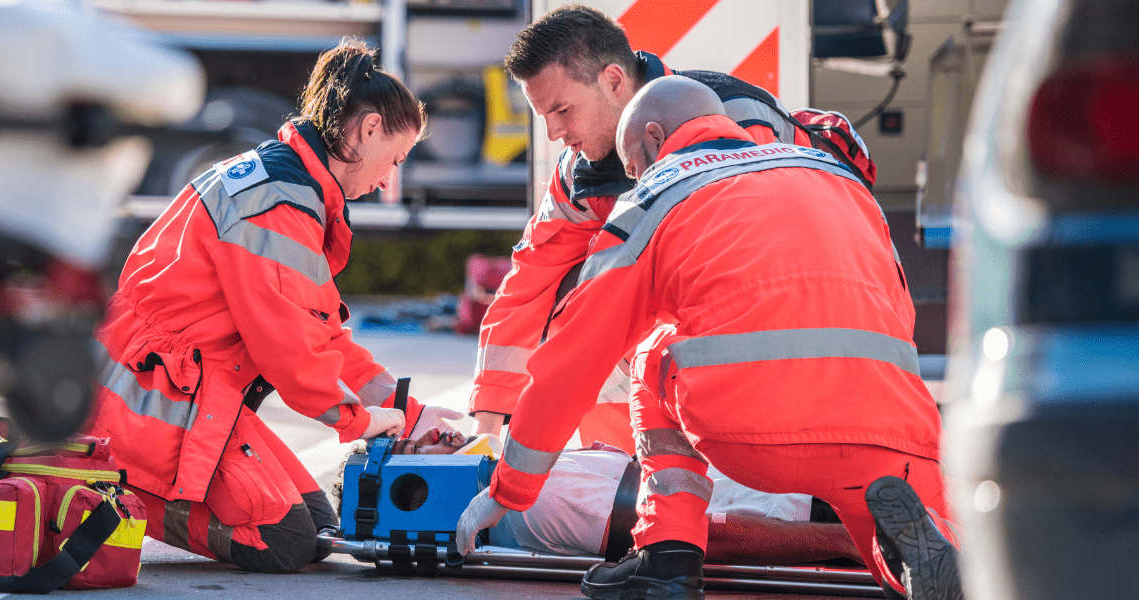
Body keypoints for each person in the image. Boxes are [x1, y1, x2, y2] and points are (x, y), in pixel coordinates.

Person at [456, 77, 963, 600]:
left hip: (754, 434)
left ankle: (667, 555)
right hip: (894, 432)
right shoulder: (835, 174)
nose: (634, 179)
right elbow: (897, 310)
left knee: (654, 351)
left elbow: (576, 354)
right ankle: (934, 560)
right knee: (899, 543)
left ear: (654, 139)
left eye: (633, 167)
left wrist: (510, 487)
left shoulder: (661, 191)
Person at [86, 39, 462, 574]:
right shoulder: (279, 203)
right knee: (284, 542)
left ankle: (133, 476)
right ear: (369, 129)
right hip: (152, 400)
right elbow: (294, 354)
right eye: (394, 160)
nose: (386, 181)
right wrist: (362, 421)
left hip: (184, 392)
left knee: (318, 531)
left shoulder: (292, 189)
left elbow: (323, 335)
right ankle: (120, 485)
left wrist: (411, 415)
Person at [470, 4, 809, 452]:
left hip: (783, 336)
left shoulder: (738, 119)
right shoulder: (579, 171)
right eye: (543, 116)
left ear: (613, 81)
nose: (553, 133)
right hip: (712, 334)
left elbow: (766, 268)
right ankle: (619, 476)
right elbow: (529, 283)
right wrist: (486, 434)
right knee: (573, 305)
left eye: (562, 110)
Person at [380, 432, 859, 565]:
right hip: (801, 509)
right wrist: (843, 540)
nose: (434, 432)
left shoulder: (518, 482)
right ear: (413, 484)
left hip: (798, 488)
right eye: (415, 448)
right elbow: (694, 538)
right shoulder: (527, 507)